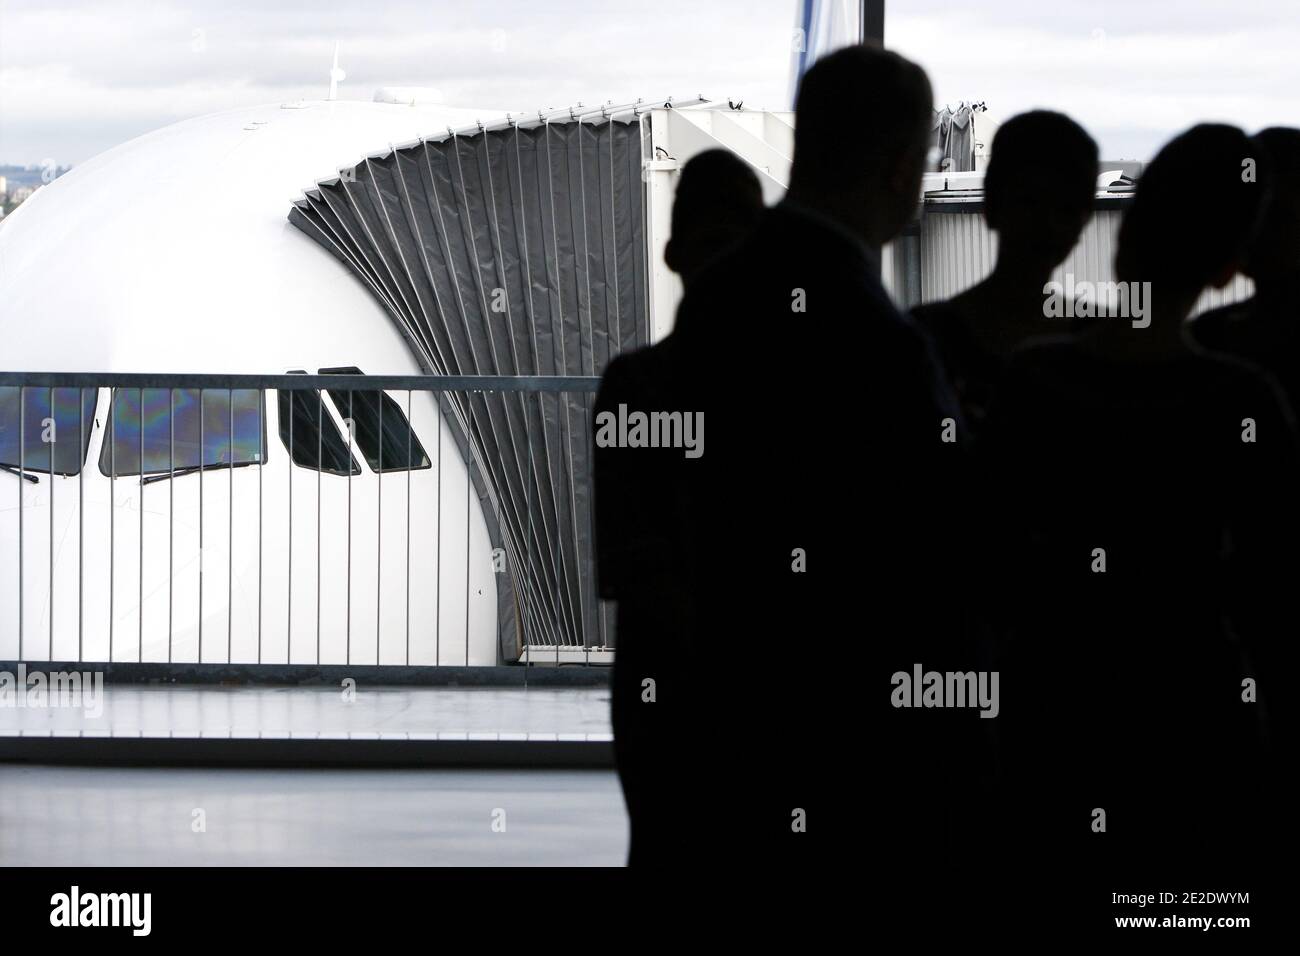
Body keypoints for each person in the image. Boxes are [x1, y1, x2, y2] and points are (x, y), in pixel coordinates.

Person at [668, 43, 973, 876]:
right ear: (904, 167)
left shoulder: (721, 298)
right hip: (841, 712)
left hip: (732, 689)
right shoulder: (876, 334)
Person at [978, 124, 1299, 898]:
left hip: (1050, 711)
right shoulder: (1242, 401)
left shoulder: (1033, 383)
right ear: (1228, 268)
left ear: (1120, 242)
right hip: (1197, 723)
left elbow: (979, 557)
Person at [593, 148, 763, 867]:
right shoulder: (801, 394)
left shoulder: (632, 384)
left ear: (670, 254)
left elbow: (629, 565)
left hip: (662, 694)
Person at [911, 110, 1099, 432]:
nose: (1048, 225)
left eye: (1065, 209)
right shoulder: (1105, 341)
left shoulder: (924, 336)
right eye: (1031, 203)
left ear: (990, 205)